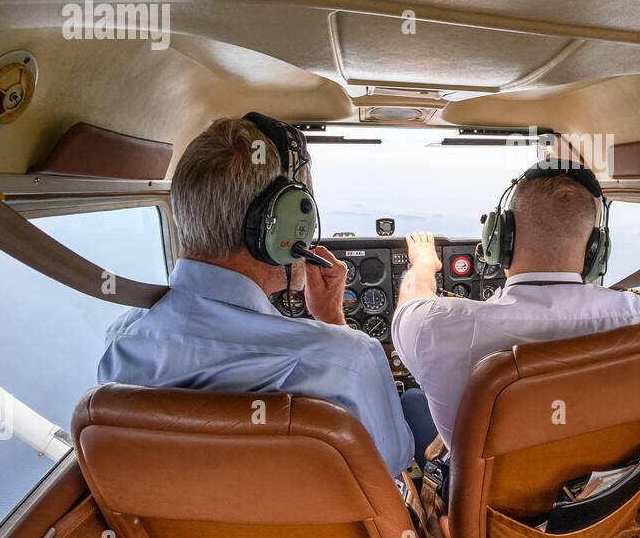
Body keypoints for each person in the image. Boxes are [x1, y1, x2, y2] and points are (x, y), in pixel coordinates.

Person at [98, 115, 413, 476]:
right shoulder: (348, 360)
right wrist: (335, 325)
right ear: (284, 226)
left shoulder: (120, 347)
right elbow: (390, 462)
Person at [391, 163, 640, 451]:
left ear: (500, 240)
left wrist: (422, 264)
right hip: (607, 492)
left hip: (483, 496)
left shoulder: (435, 327)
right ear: (596, 250)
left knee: (409, 401)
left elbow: (412, 298)